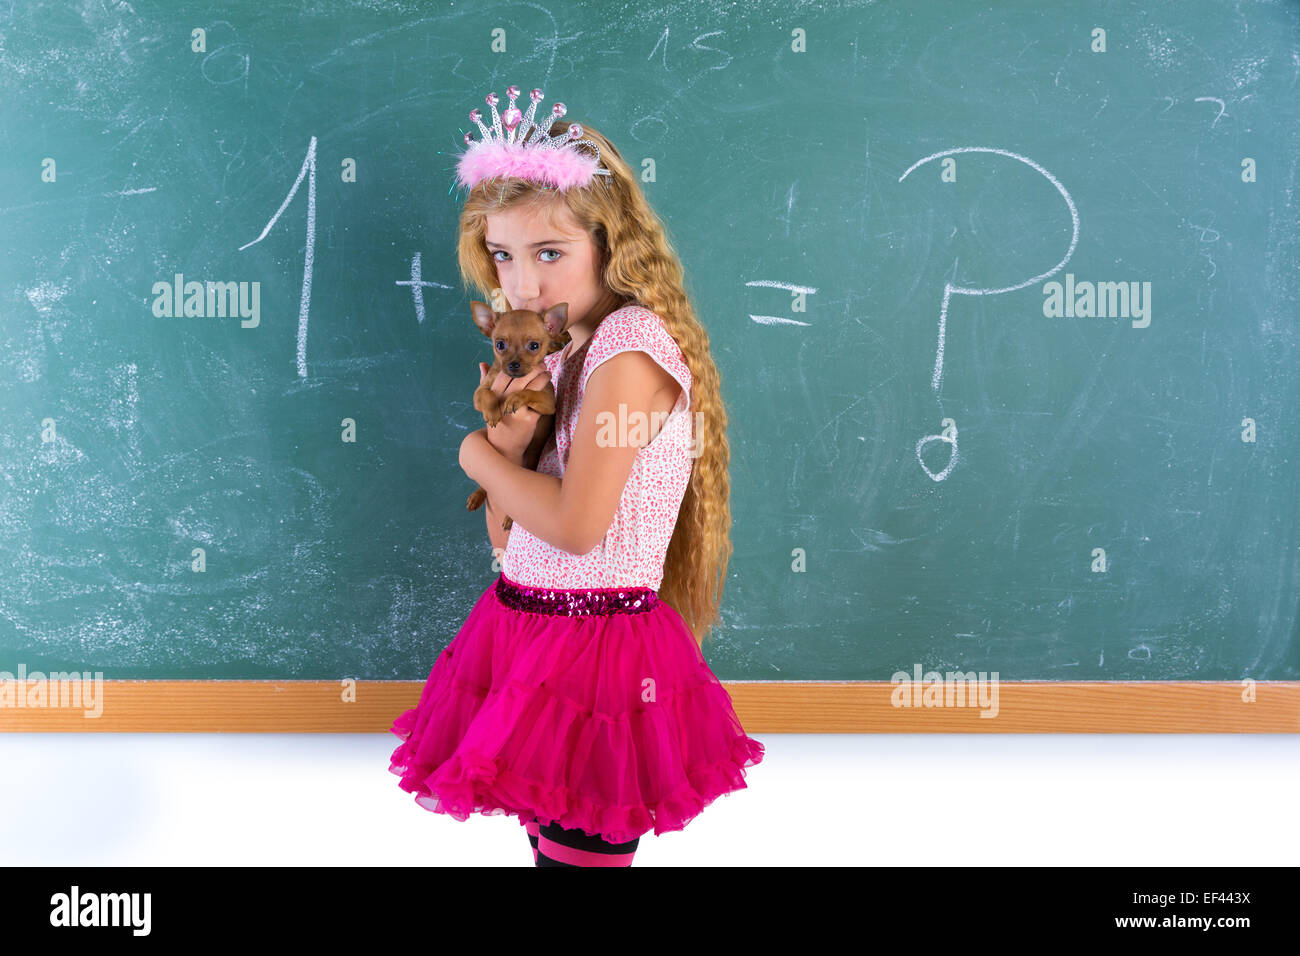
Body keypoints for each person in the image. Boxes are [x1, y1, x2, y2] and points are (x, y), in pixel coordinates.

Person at [388, 84, 764, 866]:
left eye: (548, 253)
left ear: (609, 243)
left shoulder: (626, 350)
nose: (521, 285)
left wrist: (476, 453)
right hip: (525, 635)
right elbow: (506, 532)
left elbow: (576, 526)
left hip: (595, 663)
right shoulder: (559, 352)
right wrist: (516, 444)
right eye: (502, 254)